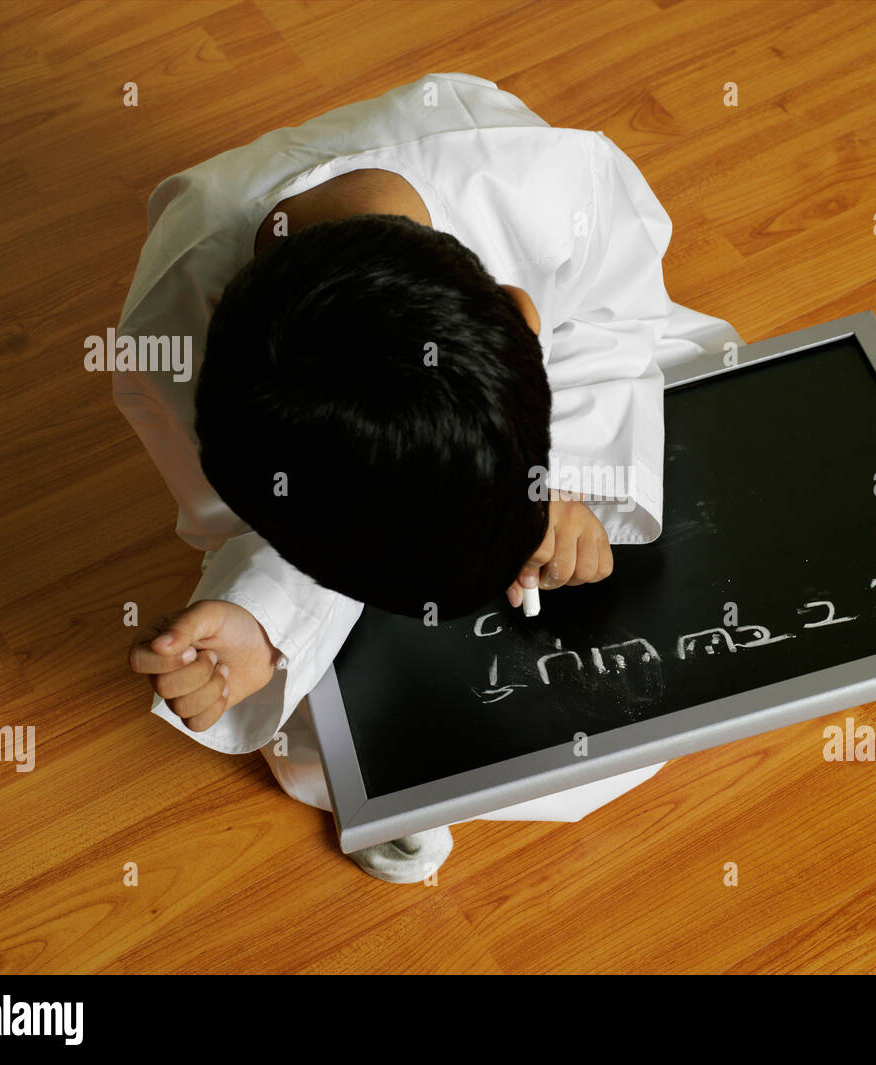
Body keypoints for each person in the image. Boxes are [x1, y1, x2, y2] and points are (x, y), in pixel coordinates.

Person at [116, 72, 747, 883]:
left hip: (563, 382)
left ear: (523, 318)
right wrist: (263, 615)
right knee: (321, 741)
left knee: (709, 406)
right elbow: (257, 513)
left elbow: (617, 317)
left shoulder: (551, 183)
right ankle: (408, 790)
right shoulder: (170, 341)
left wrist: (569, 479)